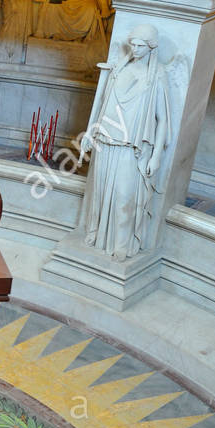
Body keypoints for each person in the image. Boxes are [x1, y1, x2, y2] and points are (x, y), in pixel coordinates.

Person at [78, 24, 173, 260]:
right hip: (105, 143)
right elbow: (102, 105)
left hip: (131, 149)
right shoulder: (119, 70)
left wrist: (156, 156)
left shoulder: (156, 76)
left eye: (141, 45)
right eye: (133, 44)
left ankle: (121, 243)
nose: (136, 49)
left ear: (152, 47)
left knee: (124, 198)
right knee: (100, 196)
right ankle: (98, 233)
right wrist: (90, 133)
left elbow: (162, 120)